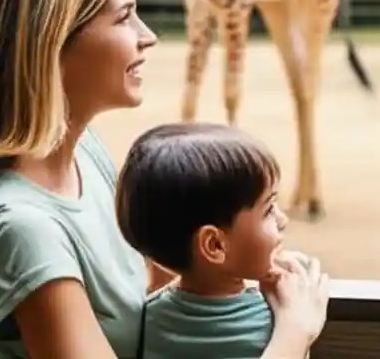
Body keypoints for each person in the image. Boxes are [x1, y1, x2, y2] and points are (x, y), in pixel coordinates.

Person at [0, 0, 329, 359]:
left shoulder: (84, 157)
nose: (146, 35)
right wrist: (293, 330)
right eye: (123, 17)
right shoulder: (20, 229)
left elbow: (156, 286)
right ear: (51, 42)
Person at [115, 122, 317, 358]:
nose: (283, 220)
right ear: (215, 245)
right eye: (269, 209)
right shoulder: (279, 321)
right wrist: (296, 323)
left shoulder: (150, 318)